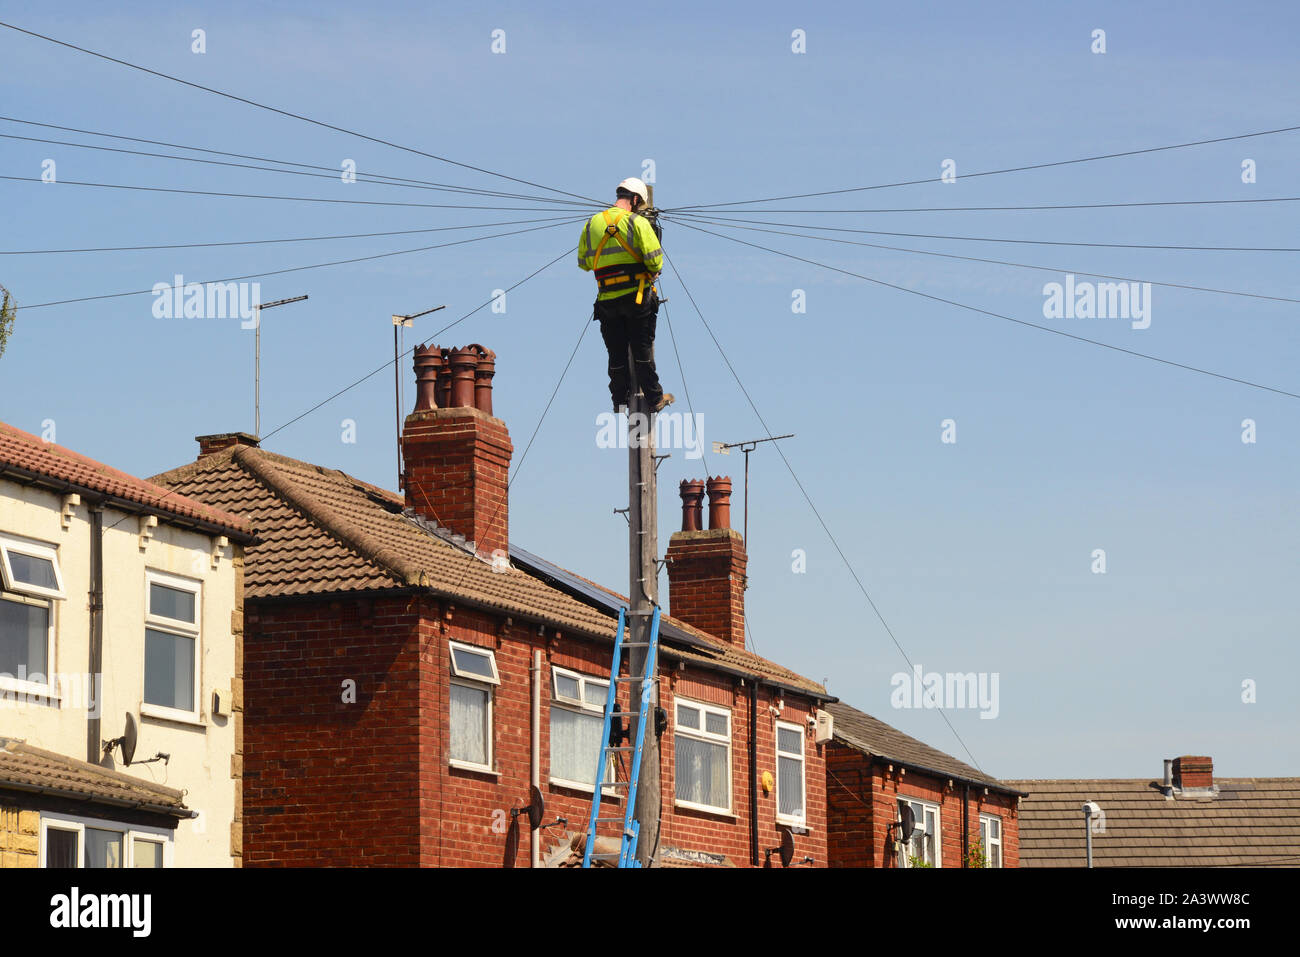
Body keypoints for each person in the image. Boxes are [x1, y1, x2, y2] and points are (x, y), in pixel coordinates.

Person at [578, 177, 674, 413]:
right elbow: (655, 260)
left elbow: (584, 263)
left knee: (616, 354)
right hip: (637, 300)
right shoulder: (637, 223)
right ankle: (654, 399)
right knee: (642, 351)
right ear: (635, 199)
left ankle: (620, 401)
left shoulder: (592, 224)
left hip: (607, 301)